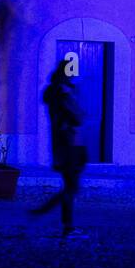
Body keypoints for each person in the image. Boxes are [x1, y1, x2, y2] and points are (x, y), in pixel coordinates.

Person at [31, 60, 86, 238]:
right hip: (70, 144)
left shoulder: (54, 93)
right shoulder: (63, 93)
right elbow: (77, 117)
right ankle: (61, 222)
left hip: (62, 144)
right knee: (71, 187)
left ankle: (62, 223)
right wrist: (73, 98)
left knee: (70, 186)